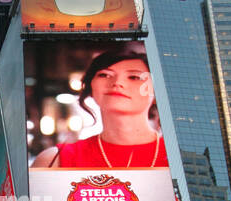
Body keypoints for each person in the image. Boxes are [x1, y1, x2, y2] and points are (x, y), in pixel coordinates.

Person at [31, 49, 168, 170]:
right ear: (90, 87)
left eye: (134, 77)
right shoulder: (54, 160)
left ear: (156, 92)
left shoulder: (178, 158)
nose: (117, 83)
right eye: (105, 75)